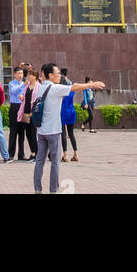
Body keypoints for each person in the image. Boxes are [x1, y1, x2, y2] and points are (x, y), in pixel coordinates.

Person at [33, 65, 101, 194]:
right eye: (57, 73)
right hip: (53, 131)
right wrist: (91, 84)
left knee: (39, 161)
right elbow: (73, 87)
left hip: (41, 131)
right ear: (50, 75)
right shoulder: (54, 88)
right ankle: (53, 190)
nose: (60, 75)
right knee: (55, 163)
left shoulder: (41, 87)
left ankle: (37, 189)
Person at [18, 69, 39, 160]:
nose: (28, 77)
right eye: (28, 75)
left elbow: (39, 100)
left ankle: (37, 154)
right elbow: (24, 97)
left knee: (34, 134)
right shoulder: (27, 86)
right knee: (28, 134)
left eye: (31, 75)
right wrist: (21, 98)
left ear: (35, 76)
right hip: (25, 113)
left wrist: (33, 112)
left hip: (33, 113)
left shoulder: (39, 87)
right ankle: (33, 152)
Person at [7, 66, 26, 160]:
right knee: (13, 132)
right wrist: (23, 86)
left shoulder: (24, 84)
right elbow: (14, 91)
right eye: (18, 73)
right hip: (14, 107)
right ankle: (10, 154)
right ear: (14, 74)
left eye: (22, 73)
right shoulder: (11, 83)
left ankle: (21, 154)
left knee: (22, 132)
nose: (20, 75)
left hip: (22, 108)